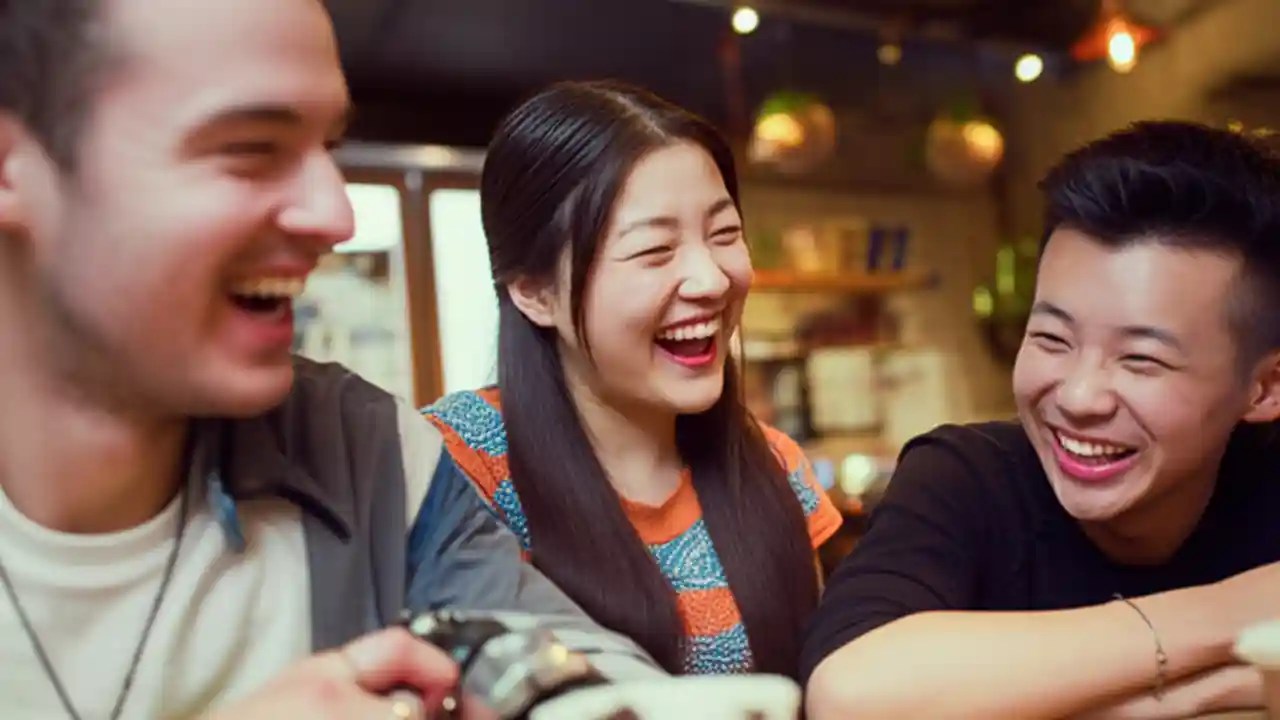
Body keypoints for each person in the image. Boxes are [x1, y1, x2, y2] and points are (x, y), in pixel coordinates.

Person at [0, 2, 662, 719]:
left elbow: (581, 667)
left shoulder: (367, 448)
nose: (337, 217)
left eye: (330, 148)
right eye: (251, 148)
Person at [802, 120, 1280, 719]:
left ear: (1265, 389)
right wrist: (1236, 615)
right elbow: (852, 696)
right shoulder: (968, 478)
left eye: (1141, 359)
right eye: (1052, 338)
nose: (1079, 397)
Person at [423, 80, 843, 680]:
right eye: (654, 250)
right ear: (534, 291)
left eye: (724, 235)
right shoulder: (457, 468)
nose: (711, 280)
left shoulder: (777, 469)